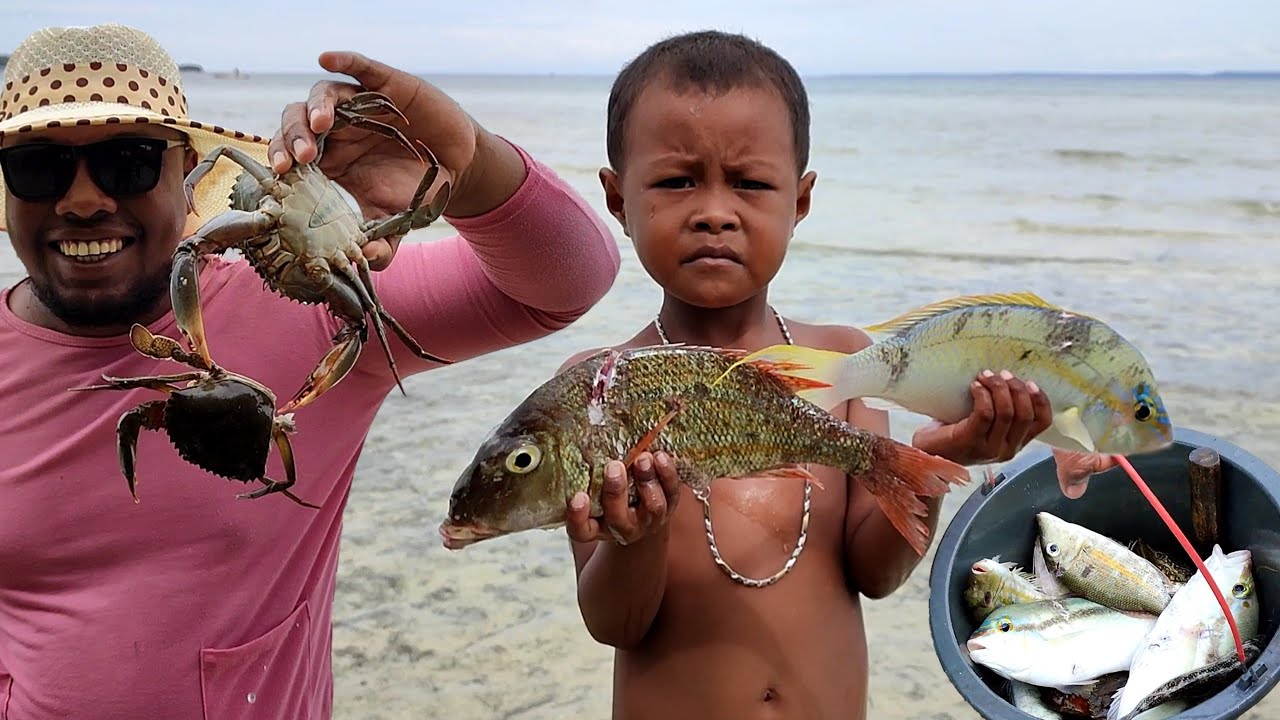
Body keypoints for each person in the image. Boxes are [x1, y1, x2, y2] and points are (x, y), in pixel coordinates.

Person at [0, 23, 622, 720]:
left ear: (188, 173)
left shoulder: (312, 311)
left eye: (128, 162)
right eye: (38, 167)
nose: (83, 200)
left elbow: (568, 281)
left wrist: (472, 167)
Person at [555, 30, 1100, 720]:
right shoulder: (598, 391)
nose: (715, 212)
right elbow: (616, 624)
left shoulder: (846, 362)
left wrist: (937, 458)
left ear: (800, 201)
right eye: (676, 181)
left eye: (751, 183)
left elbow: (875, 573)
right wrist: (640, 537)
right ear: (617, 199)